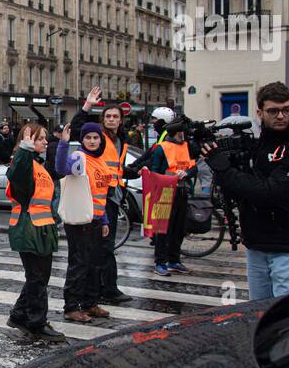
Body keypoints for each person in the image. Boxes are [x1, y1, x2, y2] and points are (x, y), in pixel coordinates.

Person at [202, 82, 289, 300]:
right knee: (259, 312)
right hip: (256, 245)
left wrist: (224, 168)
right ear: (259, 113)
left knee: (286, 316)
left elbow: (271, 193)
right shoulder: (260, 143)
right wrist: (224, 166)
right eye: (273, 111)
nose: (281, 116)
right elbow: (243, 190)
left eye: (287, 110)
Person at [5, 121, 66, 343]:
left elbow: (59, 170)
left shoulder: (39, 165)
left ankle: (20, 315)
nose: (44, 141)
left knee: (37, 278)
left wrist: (65, 143)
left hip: (41, 229)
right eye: (40, 138)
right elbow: (16, 174)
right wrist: (24, 150)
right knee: (37, 279)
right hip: (28, 229)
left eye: (45, 138)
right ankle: (37, 323)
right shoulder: (23, 163)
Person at [69, 86, 131, 303]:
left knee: (106, 244)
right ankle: (106, 289)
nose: (112, 119)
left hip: (112, 192)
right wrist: (87, 105)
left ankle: (104, 288)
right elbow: (76, 127)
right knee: (102, 245)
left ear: (121, 120)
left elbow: (117, 166)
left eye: (115, 117)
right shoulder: (98, 136)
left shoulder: (121, 138)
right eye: (108, 116)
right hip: (98, 194)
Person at [126, 111, 196, 277]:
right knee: (162, 229)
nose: (183, 136)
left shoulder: (186, 147)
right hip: (165, 194)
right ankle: (160, 262)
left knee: (178, 229)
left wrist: (187, 174)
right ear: (173, 133)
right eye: (180, 133)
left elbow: (194, 167)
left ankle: (174, 260)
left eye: (183, 133)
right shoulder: (161, 148)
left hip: (182, 192)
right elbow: (154, 170)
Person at [55, 123, 111, 323]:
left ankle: (90, 303)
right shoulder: (79, 157)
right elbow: (61, 168)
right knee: (79, 264)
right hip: (80, 221)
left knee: (94, 265)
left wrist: (104, 220)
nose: (93, 141)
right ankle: (71, 307)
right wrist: (63, 143)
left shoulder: (100, 160)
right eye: (88, 138)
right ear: (83, 140)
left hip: (95, 219)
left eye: (96, 138)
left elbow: (101, 194)